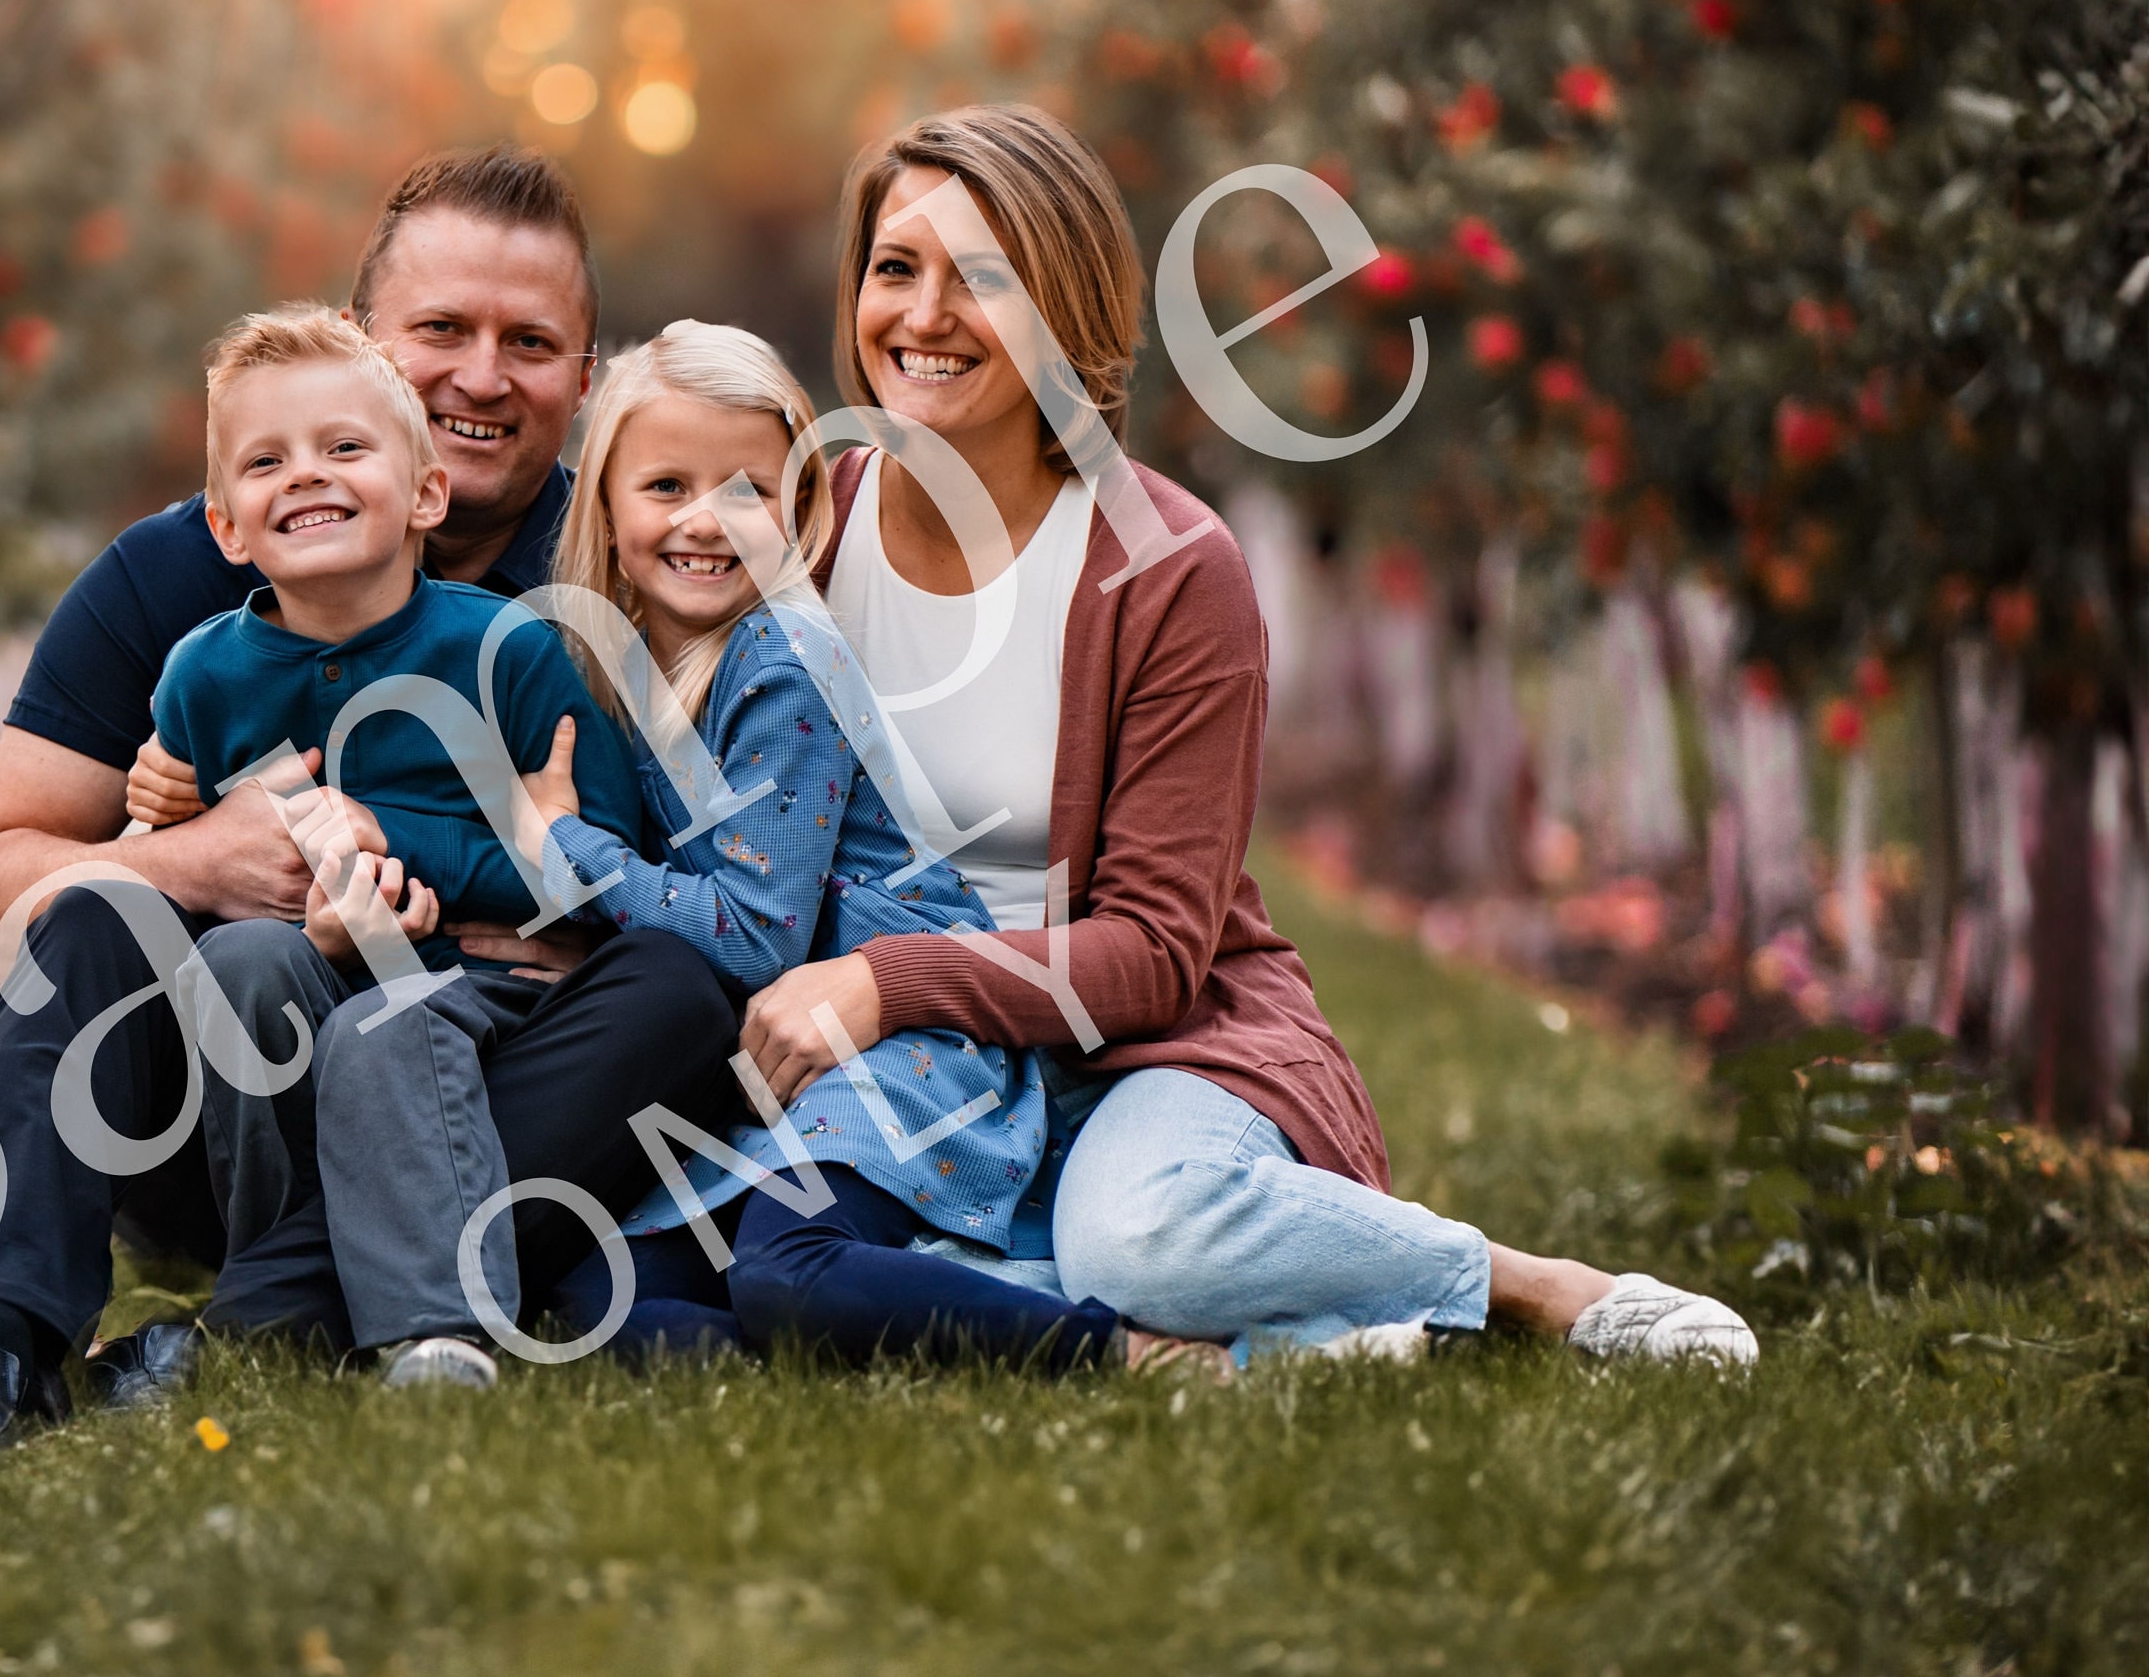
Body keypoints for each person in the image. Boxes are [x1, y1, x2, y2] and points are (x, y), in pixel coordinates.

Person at [725, 104, 1755, 1373]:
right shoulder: (802, 533)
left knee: (1138, 1237)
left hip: (1142, 1049)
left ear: (1066, 311)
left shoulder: (1169, 567)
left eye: (981, 278)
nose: (923, 316)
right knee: (763, 1250)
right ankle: (1293, 1336)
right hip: (914, 1072)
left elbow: (1156, 951)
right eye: (896, 268)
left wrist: (889, 980)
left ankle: (1528, 1287)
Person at [0, 149, 741, 1459]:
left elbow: (689, 883)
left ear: (584, 379)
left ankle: (252, 1325)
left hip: (495, 1084)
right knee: (97, 911)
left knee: (678, 989)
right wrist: (192, 858)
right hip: (218, 1105)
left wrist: (517, 889)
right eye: (440, 329)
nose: (480, 377)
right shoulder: (180, 582)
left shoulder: (628, 563)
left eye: (529, 343)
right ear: (357, 336)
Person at [506, 321, 1181, 1374]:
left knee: (787, 1271)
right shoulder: (629, 671)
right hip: (776, 1059)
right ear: (603, 505)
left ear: (798, 507)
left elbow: (754, 936)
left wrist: (567, 850)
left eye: (747, 490)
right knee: (594, 1294)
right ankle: (884, 1319)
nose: (705, 520)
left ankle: (1119, 1349)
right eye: (666, 486)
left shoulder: (783, 660)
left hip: (904, 1041)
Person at [142, 306, 705, 1384]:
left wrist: (403, 845)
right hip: (310, 971)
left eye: (344, 447)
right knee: (239, 962)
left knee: (388, 1024)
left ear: (426, 496)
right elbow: (190, 872)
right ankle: (278, 1268)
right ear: (226, 526)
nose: (307, 475)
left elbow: (603, 876)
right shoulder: (200, 677)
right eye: (266, 461)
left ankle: (430, 1331)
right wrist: (166, 810)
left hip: (492, 995)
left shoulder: (509, 649)